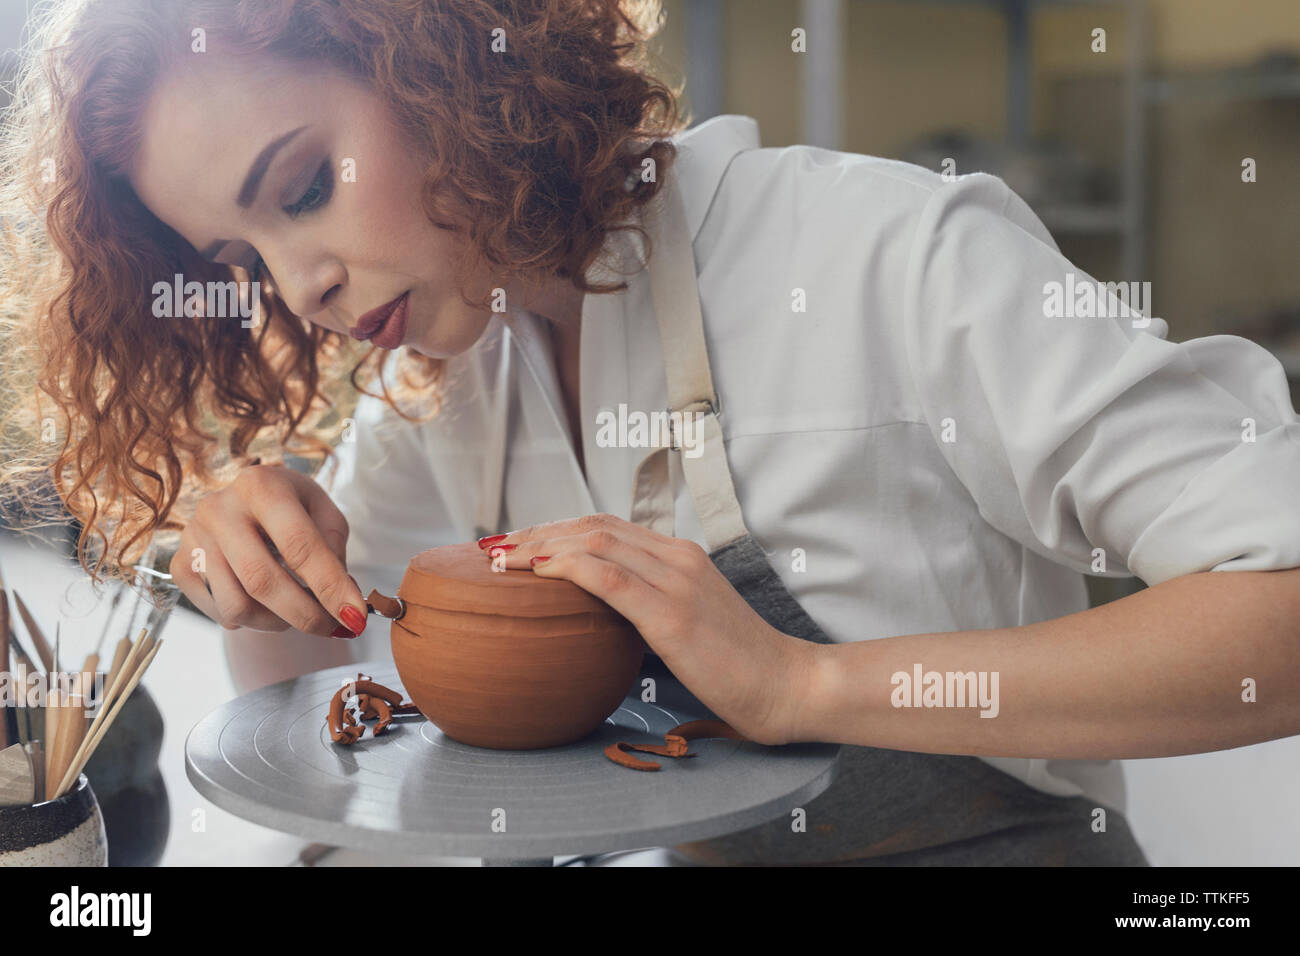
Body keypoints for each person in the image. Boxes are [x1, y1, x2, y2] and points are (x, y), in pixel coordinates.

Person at [3, 0, 1299, 866]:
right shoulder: (457, 380)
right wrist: (266, 566)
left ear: (447, 66)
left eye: (303, 188)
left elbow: (1280, 606)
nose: (300, 290)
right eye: (242, 258)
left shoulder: (885, 257)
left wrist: (809, 688)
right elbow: (326, 726)